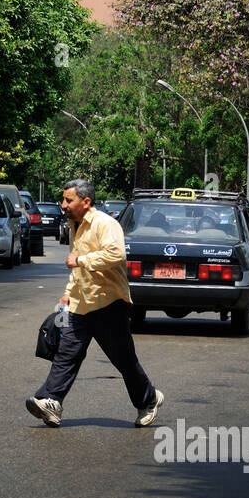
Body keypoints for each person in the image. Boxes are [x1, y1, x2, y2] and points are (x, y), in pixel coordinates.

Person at [26, 179, 164, 428]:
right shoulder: (74, 225)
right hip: (81, 303)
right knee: (68, 352)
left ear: (86, 201)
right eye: (63, 200)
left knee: (123, 359)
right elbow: (75, 266)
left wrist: (82, 260)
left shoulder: (105, 224)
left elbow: (115, 254)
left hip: (109, 302)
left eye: (69, 200)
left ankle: (149, 399)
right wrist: (68, 292)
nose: (63, 205)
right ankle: (51, 401)